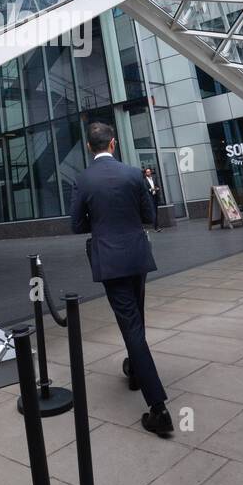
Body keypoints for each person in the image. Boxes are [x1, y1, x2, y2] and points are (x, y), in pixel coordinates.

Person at [70, 122, 172, 436]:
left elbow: (76, 225)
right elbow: (149, 216)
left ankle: (158, 407)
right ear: (113, 144)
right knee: (136, 319)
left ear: (90, 147)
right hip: (137, 255)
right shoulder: (132, 174)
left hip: (110, 259)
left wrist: (97, 219)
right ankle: (136, 371)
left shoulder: (84, 179)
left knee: (130, 324)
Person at [142, 166, 165, 232]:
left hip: (155, 196)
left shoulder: (154, 178)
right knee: (153, 212)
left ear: (151, 172)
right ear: (145, 173)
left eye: (149, 171)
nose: (148, 173)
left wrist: (157, 189)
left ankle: (157, 226)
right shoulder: (144, 180)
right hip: (150, 197)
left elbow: (157, 186)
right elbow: (145, 189)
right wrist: (151, 189)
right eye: (147, 172)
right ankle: (156, 227)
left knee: (156, 212)